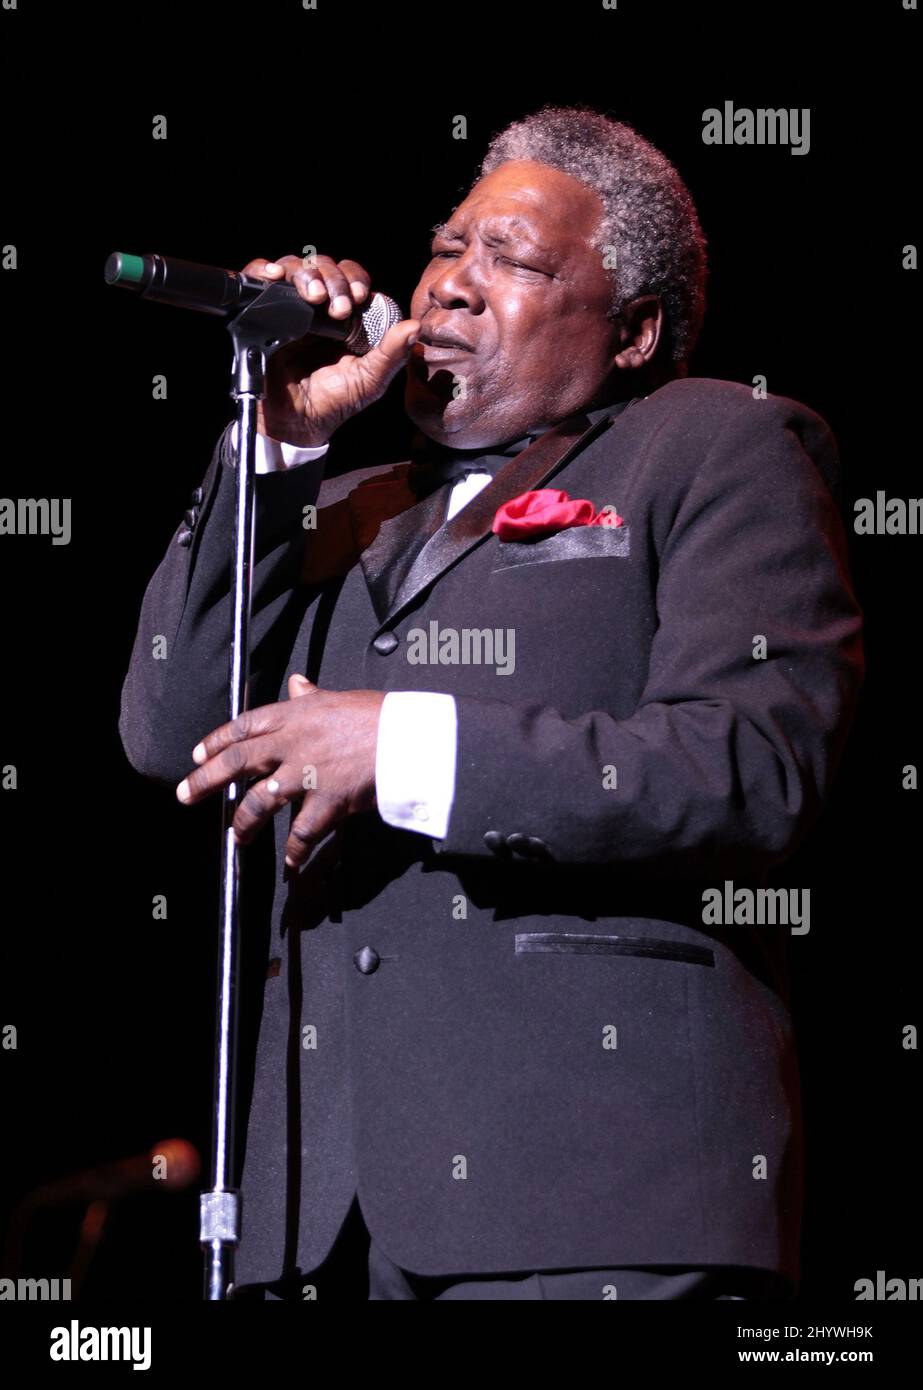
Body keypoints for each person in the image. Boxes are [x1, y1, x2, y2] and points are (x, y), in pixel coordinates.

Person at [118, 105, 864, 1300]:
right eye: (446, 248)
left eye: (509, 260)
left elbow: (755, 759)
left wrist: (401, 743)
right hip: (325, 1206)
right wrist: (275, 444)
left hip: (598, 1194)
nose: (450, 288)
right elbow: (168, 727)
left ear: (633, 331)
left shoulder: (713, 443)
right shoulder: (346, 504)